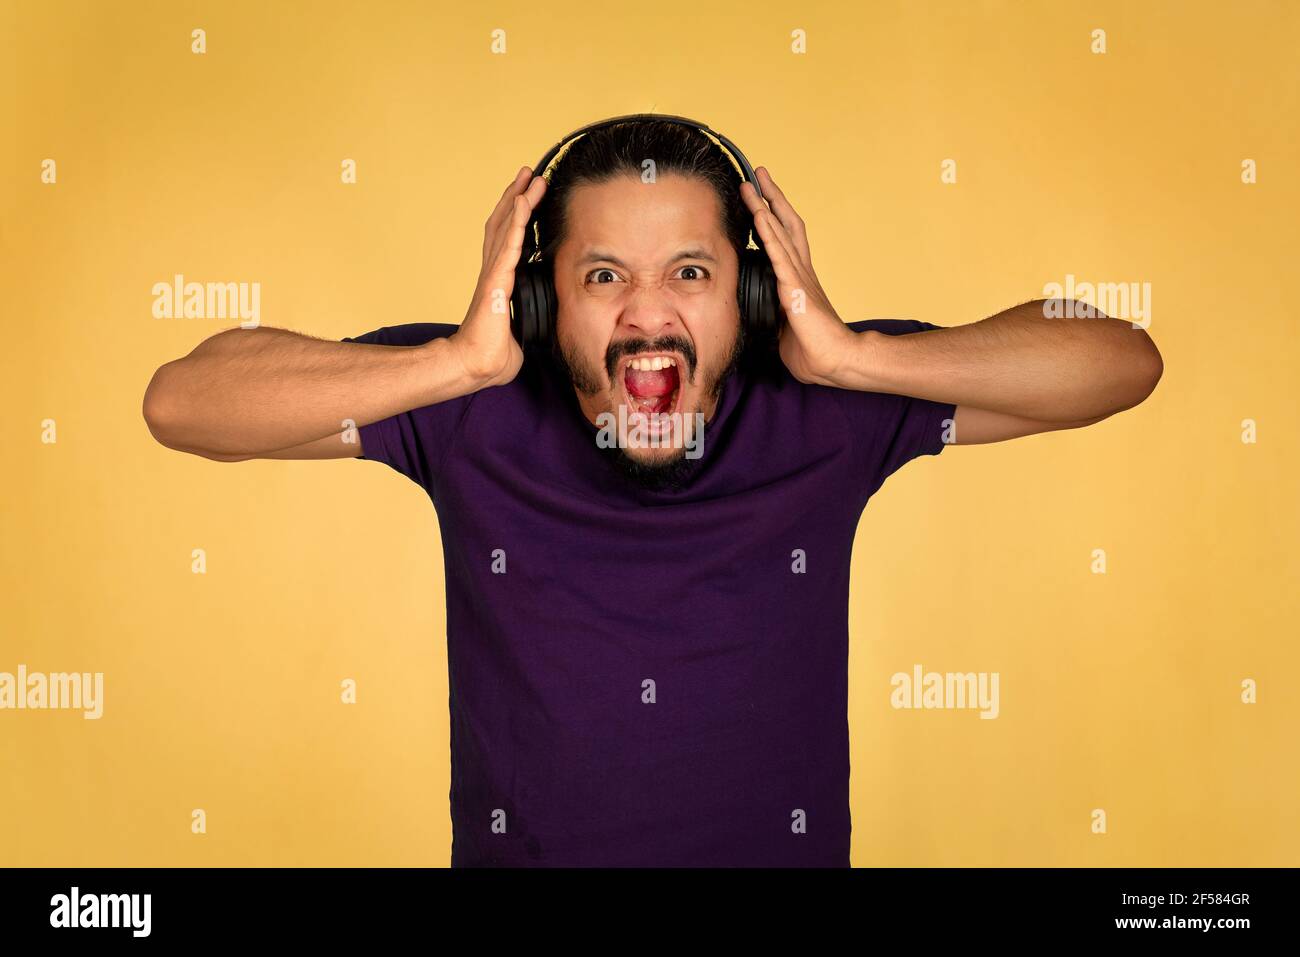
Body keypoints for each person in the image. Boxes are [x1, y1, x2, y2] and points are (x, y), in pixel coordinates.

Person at [142, 118, 1162, 866]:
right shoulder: (472, 398)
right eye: (600, 277)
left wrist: (854, 355)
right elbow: (185, 403)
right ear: (543, 299)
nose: (646, 314)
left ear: (751, 294)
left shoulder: (828, 400)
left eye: (688, 272)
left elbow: (1118, 359)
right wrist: (452, 359)